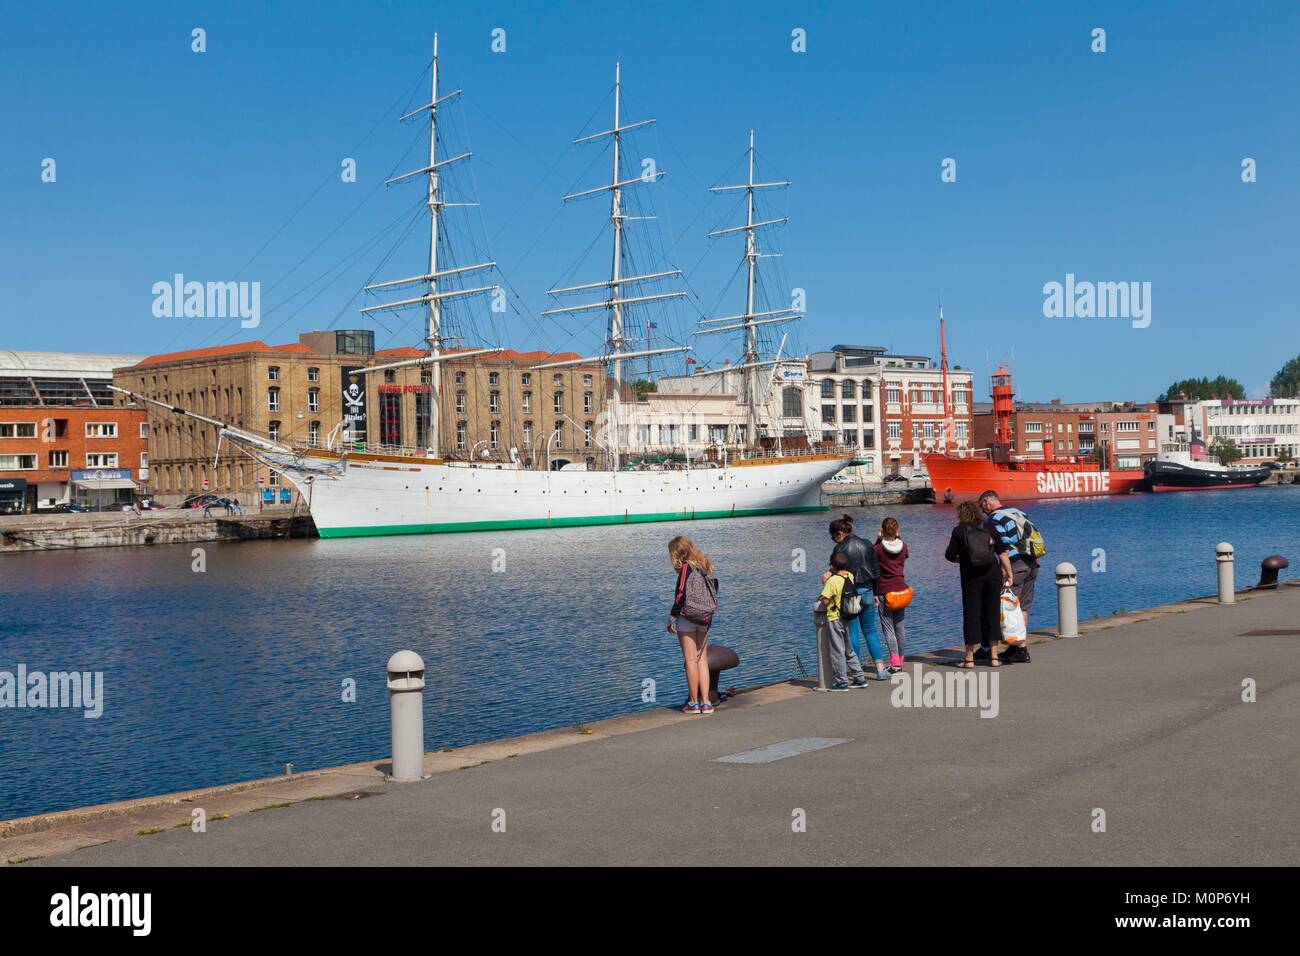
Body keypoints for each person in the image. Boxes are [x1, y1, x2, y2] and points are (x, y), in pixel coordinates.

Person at [945, 500, 1014, 668]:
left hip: (971, 578)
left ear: (961, 514)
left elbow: (949, 555)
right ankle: (994, 658)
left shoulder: (959, 530)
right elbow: (1002, 553)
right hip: (993, 576)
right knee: (992, 614)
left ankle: (969, 659)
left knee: (971, 615)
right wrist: (1009, 574)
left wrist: (963, 560)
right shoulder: (989, 527)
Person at [978, 491, 1039, 664]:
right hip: (1032, 563)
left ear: (987, 501)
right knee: (1023, 607)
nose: (983, 510)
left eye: (982, 505)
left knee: (1008, 606)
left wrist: (1006, 571)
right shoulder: (1018, 512)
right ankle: (1016, 648)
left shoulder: (994, 518)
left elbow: (1002, 546)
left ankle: (1020, 650)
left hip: (1016, 564)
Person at [826, 514, 888, 680]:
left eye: (833, 536)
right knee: (870, 631)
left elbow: (835, 575)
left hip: (850, 595)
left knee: (852, 633)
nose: (833, 540)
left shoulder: (840, 550)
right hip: (868, 591)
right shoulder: (867, 544)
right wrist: (875, 593)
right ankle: (881, 669)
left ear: (839, 533)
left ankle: (857, 671)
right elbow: (876, 571)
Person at [667, 535, 719, 715]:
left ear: (676, 554)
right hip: (704, 617)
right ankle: (707, 703)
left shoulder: (685, 569)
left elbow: (681, 594)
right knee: (702, 660)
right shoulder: (705, 565)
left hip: (687, 617)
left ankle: (694, 703)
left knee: (690, 660)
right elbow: (715, 588)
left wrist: (672, 616)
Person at [816, 551, 871, 691]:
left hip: (835, 618)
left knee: (837, 651)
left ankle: (842, 682)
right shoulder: (850, 576)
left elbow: (826, 599)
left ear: (833, 566)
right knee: (848, 649)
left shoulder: (833, 581)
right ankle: (859, 677)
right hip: (847, 617)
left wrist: (822, 593)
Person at [873, 516, 909, 672]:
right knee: (900, 627)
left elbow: (872, 560)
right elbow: (905, 555)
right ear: (897, 530)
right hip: (902, 590)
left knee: (888, 628)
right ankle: (900, 659)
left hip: (885, 591)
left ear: (882, 530)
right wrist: (898, 537)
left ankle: (895, 664)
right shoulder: (904, 546)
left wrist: (878, 540)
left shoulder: (878, 548)